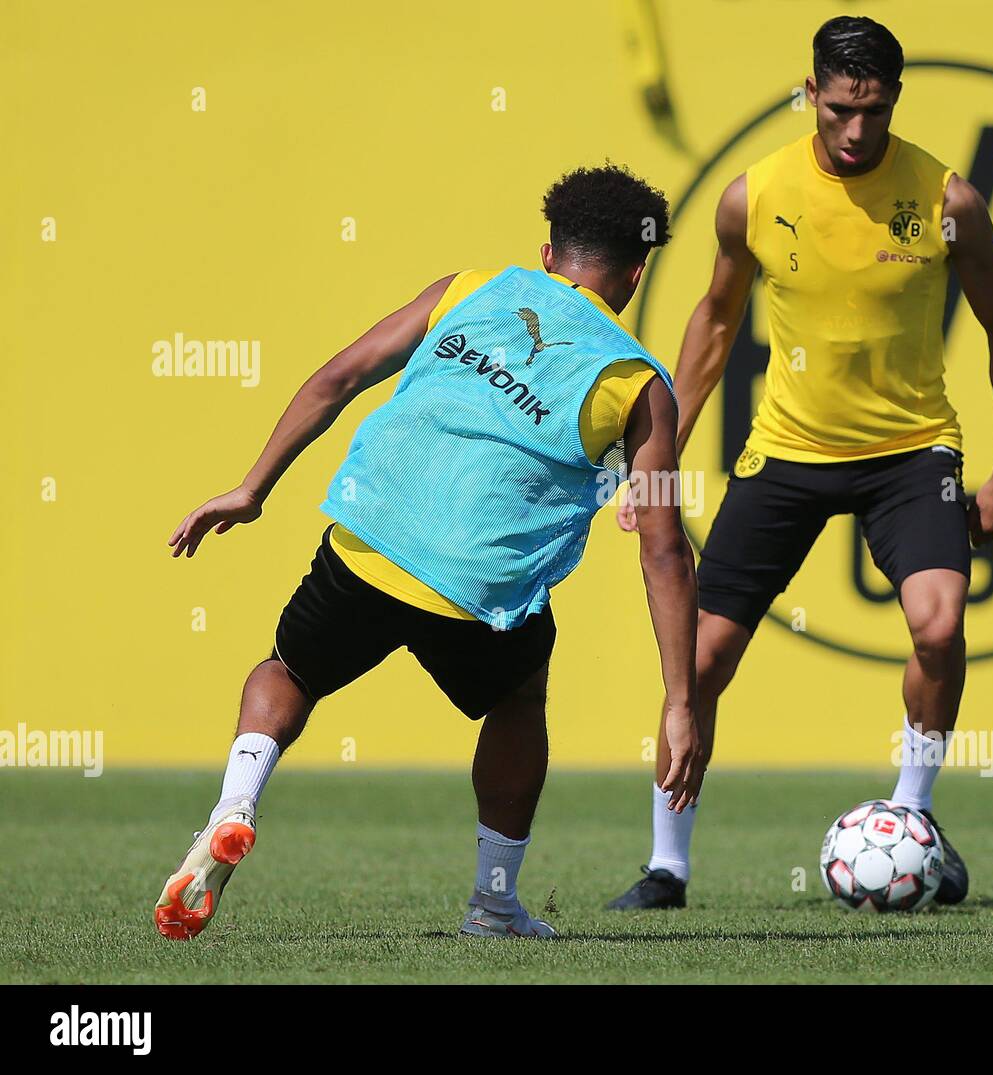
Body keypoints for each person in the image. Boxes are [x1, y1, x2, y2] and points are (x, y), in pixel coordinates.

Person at [156, 164, 702, 941]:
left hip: (372, 534)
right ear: (638, 271)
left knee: (290, 670)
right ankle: (492, 904)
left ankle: (235, 802)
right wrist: (679, 702)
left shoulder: (468, 287)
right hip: (477, 586)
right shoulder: (636, 380)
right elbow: (663, 551)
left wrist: (253, 487)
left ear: (547, 253)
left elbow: (341, 374)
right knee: (518, 699)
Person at [607, 15, 993, 911]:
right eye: (840, 109)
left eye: (874, 112)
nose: (856, 131)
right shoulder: (753, 196)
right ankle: (667, 866)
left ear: (894, 102)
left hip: (913, 448)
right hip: (789, 451)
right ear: (811, 94)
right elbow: (715, 325)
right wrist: (658, 458)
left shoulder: (948, 200)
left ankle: (915, 816)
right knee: (702, 657)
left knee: (940, 626)